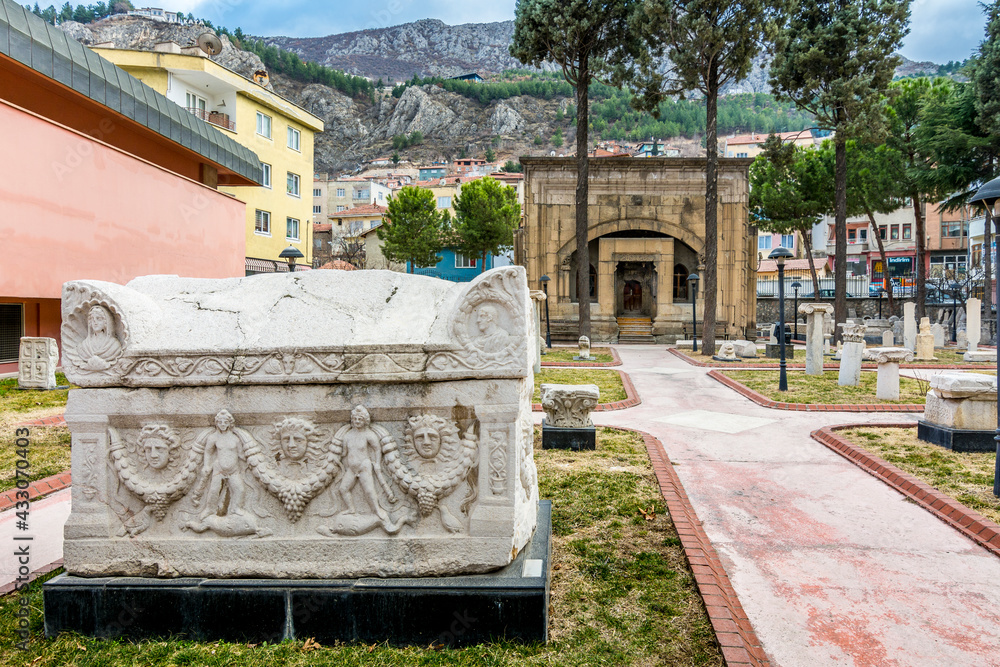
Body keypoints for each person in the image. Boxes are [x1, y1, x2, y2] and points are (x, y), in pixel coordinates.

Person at [335, 405, 395, 526]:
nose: (357, 421)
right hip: (352, 469)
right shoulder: (347, 436)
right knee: (343, 489)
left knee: (369, 491)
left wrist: (377, 463)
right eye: (355, 419)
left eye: (360, 419)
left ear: (365, 421)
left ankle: (377, 510)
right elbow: (345, 453)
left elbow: (377, 448)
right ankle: (351, 509)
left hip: (364, 466)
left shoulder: (368, 434)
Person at [193, 410, 249, 522]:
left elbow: (241, 454)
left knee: (239, 489)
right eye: (220, 422)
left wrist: (250, 460)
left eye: (225, 422)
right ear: (217, 423)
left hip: (233, 470)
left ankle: (236, 508)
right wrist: (206, 465)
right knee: (214, 490)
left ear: (229, 423)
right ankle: (209, 509)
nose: (222, 424)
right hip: (219, 469)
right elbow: (208, 452)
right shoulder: (213, 438)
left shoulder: (235, 438)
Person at [77, 305, 122, 371]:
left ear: (106, 322)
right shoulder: (84, 346)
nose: (95, 322)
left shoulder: (114, 345)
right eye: (92, 319)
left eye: (99, 319)